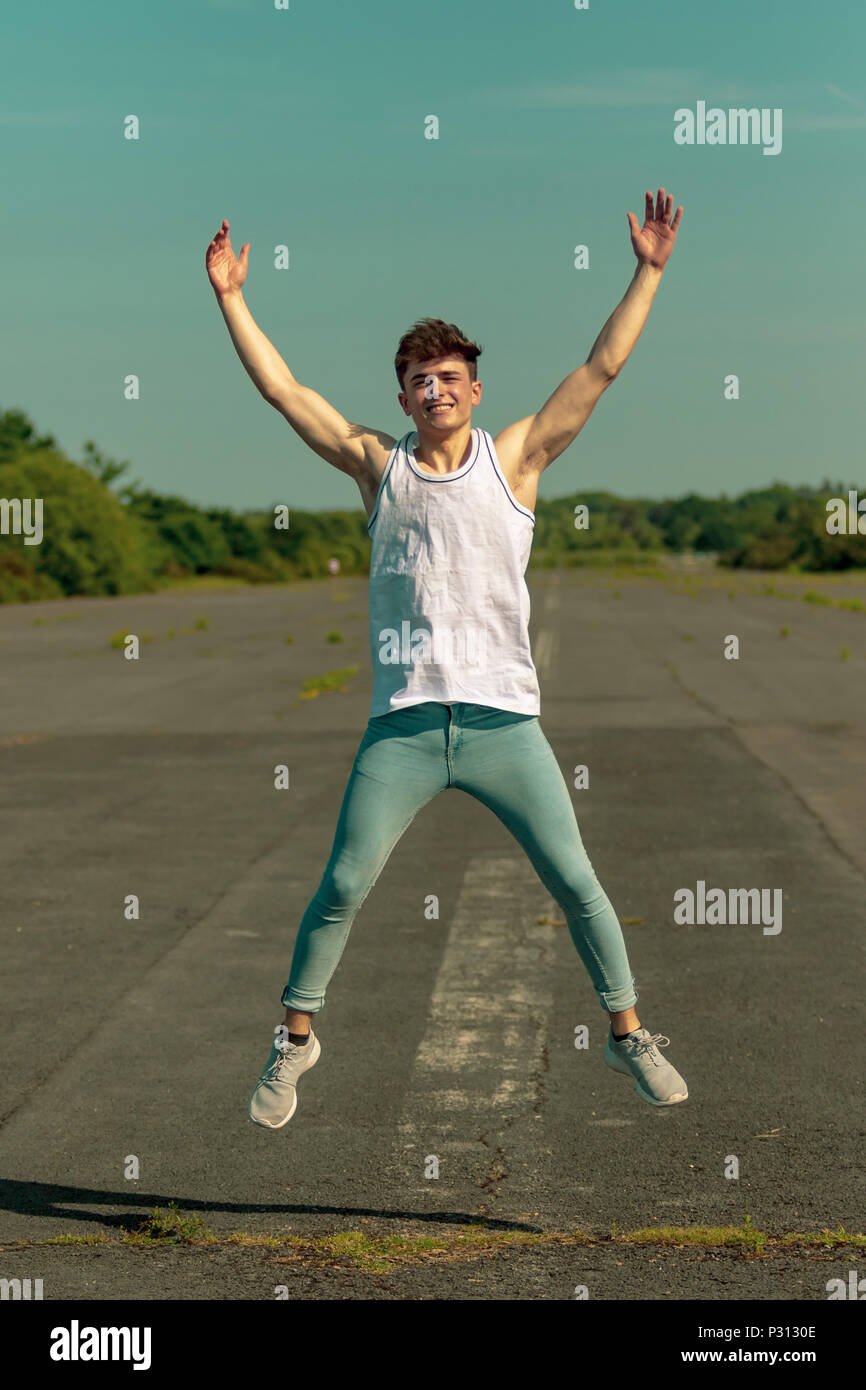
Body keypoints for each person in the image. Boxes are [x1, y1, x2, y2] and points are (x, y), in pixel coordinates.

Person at [205, 188, 689, 1130]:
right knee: (344, 883)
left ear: (475, 390)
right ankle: (296, 1039)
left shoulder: (516, 462)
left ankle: (628, 1033)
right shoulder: (376, 466)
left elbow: (600, 368)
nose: (435, 390)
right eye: (419, 380)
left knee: (576, 881)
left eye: (450, 377)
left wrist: (648, 272)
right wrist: (231, 297)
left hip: (505, 723)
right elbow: (283, 392)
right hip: (406, 727)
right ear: (403, 398)